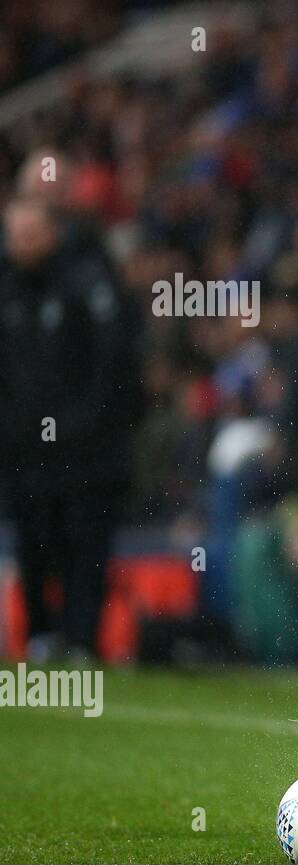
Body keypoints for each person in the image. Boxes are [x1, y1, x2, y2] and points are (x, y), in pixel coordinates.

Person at [0, 194, 140, 661]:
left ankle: (82, 640)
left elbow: (109, 369)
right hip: (23, 451)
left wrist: (81, 428)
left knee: (83, 543)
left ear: (52, 235)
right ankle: (40, 636)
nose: (19, 244)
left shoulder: (84, 285)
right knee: (33, 543)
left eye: (28, 234)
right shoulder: (9, 292)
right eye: (13, 235)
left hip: (82, 452)